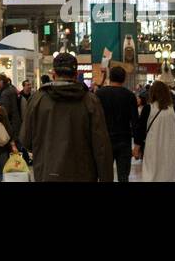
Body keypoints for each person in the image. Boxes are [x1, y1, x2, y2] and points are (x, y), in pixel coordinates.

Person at [19, 51, 113, 182]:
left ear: (53, 74)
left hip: (47, 173)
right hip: (83, 174)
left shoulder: (37, 100)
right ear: (76, 74)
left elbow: (25, 140)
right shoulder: (90, 101)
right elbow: (101, 146)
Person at [133, 80, 175, 182]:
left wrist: (136, 148)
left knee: (152, 175)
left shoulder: (148, 109)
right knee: (169, 175)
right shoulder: (172, 110)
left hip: (152, 150)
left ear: (152, 93)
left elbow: (140, 131)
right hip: (170, 151)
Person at [96, 64, 138, 183]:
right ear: (124, 79)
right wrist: (137, 145)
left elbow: (95, 119)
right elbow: (135, 121)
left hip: (105, 141)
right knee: (123, 176)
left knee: (104, 176)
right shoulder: (130, 96)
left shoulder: (99, 94)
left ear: (110, 77)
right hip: (124, 141)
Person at [0, 73, 22, 140]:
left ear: (1, 81)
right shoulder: (10, 89)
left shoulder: (5, 93)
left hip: (10, 125)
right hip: (15, 123)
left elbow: (4, 112)